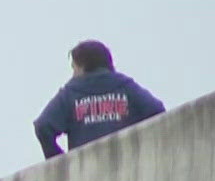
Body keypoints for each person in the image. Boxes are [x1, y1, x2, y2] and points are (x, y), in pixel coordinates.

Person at [33, 40, 165, 159]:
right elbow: (157, 111)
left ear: (81, 67)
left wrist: (60, 161)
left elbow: (43, 126)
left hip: (86, 169)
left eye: (74, 68)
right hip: (127, 161)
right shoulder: (126, 87)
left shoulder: (70, 93)